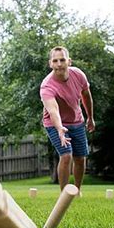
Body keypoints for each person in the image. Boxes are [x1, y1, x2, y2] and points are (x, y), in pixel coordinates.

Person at [40, 46, 95, 193]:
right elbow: (53, 110)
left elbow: (86, 96)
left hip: (76, 120)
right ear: (50, 63)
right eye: (55, 61)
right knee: (66, 155)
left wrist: (90, 117)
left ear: (69, 61)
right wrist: (59, 128)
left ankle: (77, 191)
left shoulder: (78, 75)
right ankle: (64, 193)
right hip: (54, 123)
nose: (59, 64)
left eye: (62, 60)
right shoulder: (47, 86)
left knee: (80, 158)